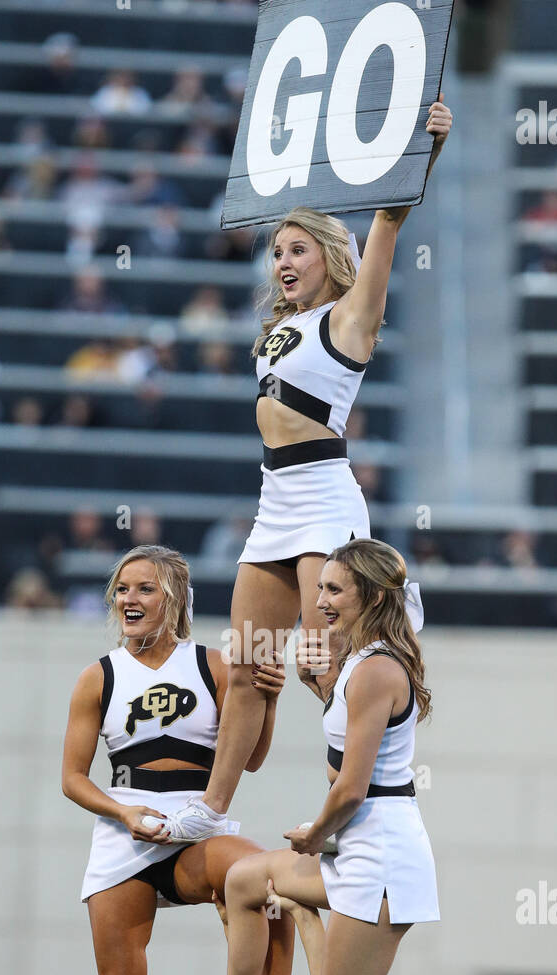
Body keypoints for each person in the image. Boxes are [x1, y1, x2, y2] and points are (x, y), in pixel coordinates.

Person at [157, 99, 453, 845]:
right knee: (250, 661)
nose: (283, 261)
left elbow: (387, 223)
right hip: (275, 501)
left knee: (330, 667)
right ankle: (212, 810)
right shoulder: (275, 331)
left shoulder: (350, 317)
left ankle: (347, 811)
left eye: (298, 249)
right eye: (277, 251)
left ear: (329, 253)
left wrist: (428, 150)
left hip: (325, 499)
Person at [174, 539, 438, 975]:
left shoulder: (375, 670)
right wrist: (317, 686)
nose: (319, 601)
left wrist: (316, 834)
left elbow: (351, 789)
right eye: (319, 587)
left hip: (380, 856)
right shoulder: (360, 664)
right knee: (246, 880)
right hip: (359, 846)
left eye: (334, 589)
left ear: (369, 597)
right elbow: (345, 755)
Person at [60, 544, 294, 975]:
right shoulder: (98, 677)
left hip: (196, 825)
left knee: (268, 883)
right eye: (121, 589)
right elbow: (72, 779)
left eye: (145, 588)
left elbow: (251, 760)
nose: (129, 599)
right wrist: (122, 813)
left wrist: (272, 703)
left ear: (175, 599)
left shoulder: (212, 664)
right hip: (127, 835)